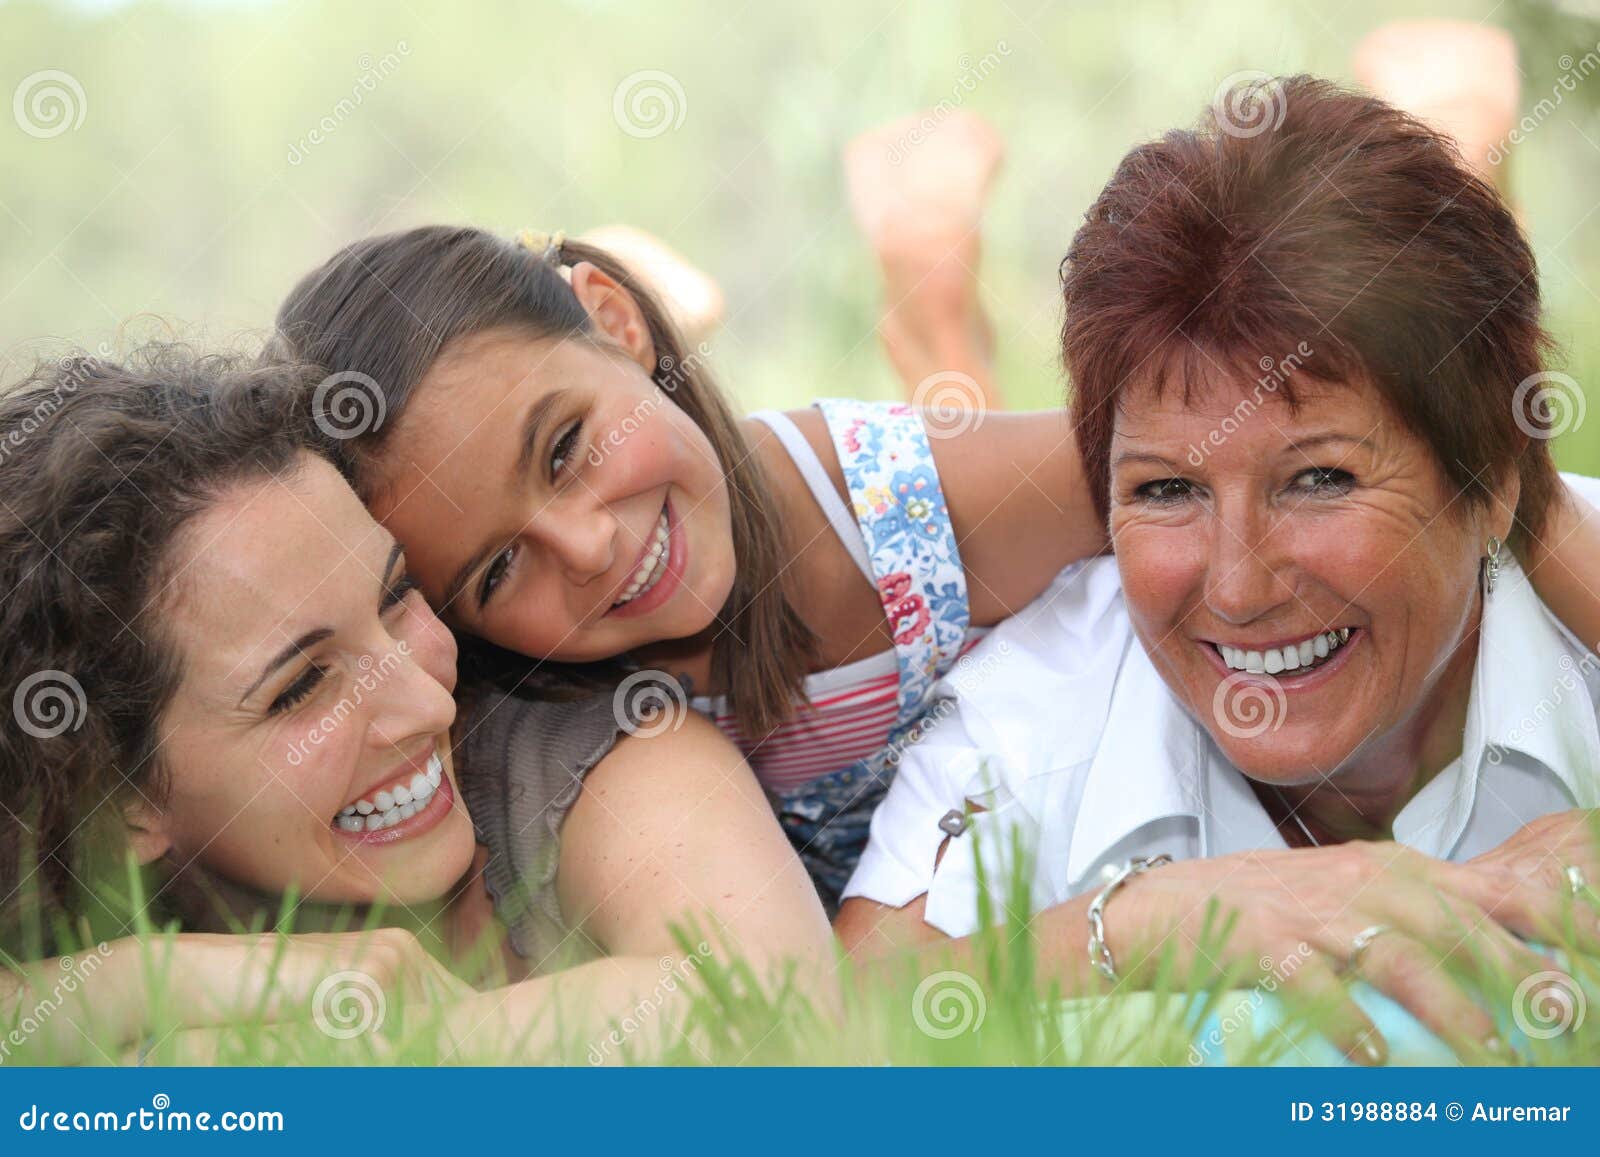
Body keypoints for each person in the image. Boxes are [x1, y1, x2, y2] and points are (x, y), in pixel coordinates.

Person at [837, 76, 1600, 1065]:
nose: (1237, 589)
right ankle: (939, 331)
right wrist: (1155, 918)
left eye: (1320, 479)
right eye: (1166, 490)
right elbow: (816, 1031)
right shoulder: (1035, 711)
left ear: (1492, 479)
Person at [0, 348, 830, 1064]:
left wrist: (350, 1042)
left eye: (397, 596)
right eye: (301, 685)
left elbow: (776, 1005)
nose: (426, 701)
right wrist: (130, 983)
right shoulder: (83, 921)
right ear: (121, 795)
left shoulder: (593, 756)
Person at [269, 219, 1103, 909]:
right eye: (497, 570)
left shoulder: (894, 505)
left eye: (564, 448)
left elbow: (1157, 476)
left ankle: (933, 290)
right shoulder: (534, 725)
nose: (587, 547)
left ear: (616, 321)